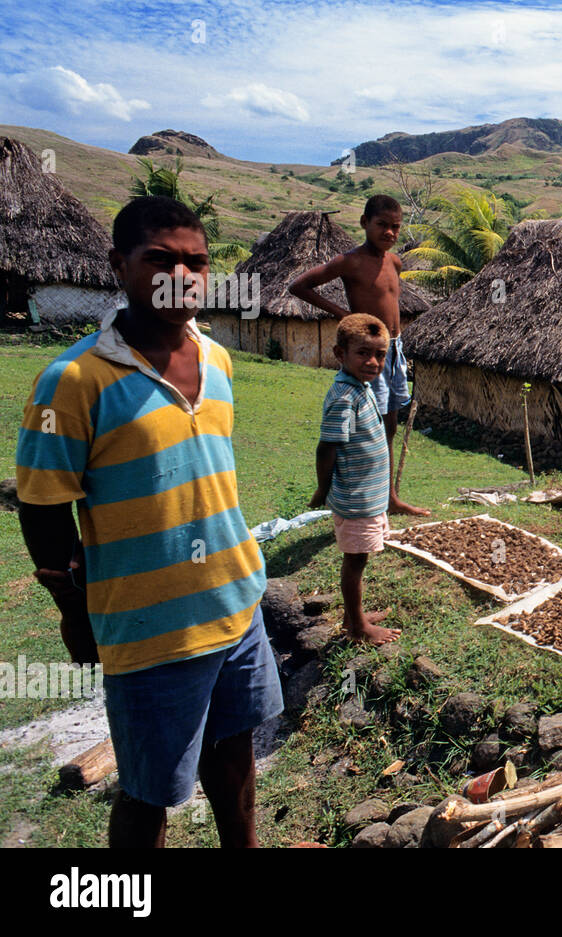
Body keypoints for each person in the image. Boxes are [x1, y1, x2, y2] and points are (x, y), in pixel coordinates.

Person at [15, 196, 281, 847]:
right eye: (160, 260)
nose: (181, 276)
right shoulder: (71, 381)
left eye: (196, 262)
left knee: (235, 753)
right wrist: (74, 612)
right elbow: (44, 507)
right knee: (148, 792)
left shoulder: (218, 360)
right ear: (119, 264)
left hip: (237, 601)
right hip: (148, 629)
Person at [289, 194, 429, 516]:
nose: (390, 233)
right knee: (365, 427)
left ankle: (390, 499)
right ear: (364, 222)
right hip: (370, 354)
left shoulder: (394, 262)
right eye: (382, 225)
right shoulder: (349, 261)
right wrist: (344, 315)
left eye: (396, 227)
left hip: (393, 350)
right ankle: (342, 493)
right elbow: (300, 286)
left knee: (390, 424)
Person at [309, 314, 402, 646]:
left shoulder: (358, 388)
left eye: (380, 355)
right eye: (363, 353)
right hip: (355, 499)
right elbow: (327, 447)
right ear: (340, 354)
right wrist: (323, 488)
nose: (373, 362)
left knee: (359, 558)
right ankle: (358, 627)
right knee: (355, 561)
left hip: (367, 497)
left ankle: (354, 614)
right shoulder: (345, 398)